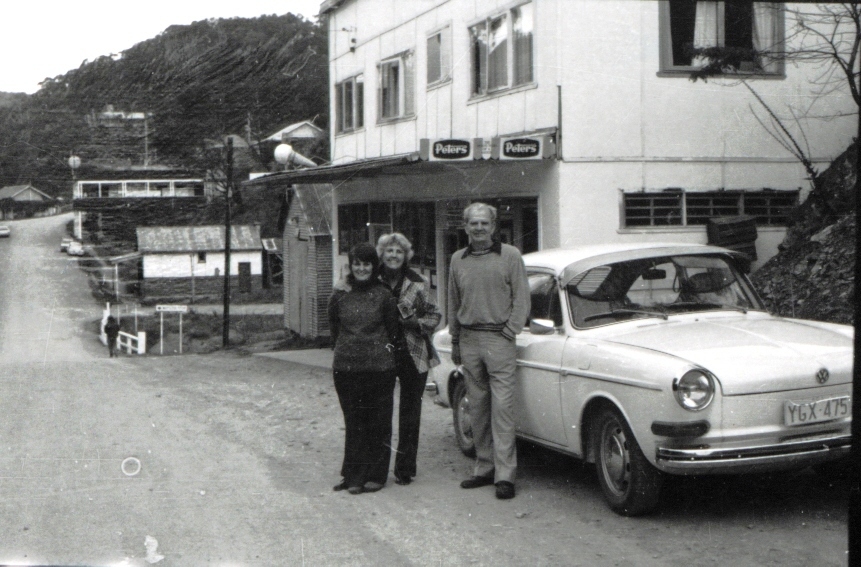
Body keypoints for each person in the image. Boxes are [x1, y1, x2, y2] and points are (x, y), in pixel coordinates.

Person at [448, 202, 530, 500]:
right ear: (466, 226)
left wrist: (509, 331)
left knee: (503, 409)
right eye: (474, 224)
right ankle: (484, 468)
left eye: (485, 223)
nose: (479, 228)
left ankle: (505, 475)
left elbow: (522, 300)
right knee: (477, 407)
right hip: (469, 340)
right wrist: (456, 340)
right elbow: (453, 302)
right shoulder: (458, 259)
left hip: (499, 339)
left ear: (494, 226)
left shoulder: (510, 256)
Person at [328, 242, 401, 495]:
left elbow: (394, 332)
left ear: (374, 266)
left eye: (366, 263)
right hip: (347, 368)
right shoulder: (339, 294)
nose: (361, 268)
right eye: (356, 263)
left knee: (378, 422)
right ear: (351, 265)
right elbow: (334, 329)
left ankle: (376, 475)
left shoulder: (384, 295)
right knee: (354, 421)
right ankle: (353, 476)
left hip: (379, 369)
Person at [376, 233, 442, 486]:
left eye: (399, 252)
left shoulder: (419, 282)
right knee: (381, 411)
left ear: (406, 256)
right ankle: (379, 468)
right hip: (381, 352)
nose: (393, 255)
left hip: (413, 353)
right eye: (389, 251)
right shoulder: (374, 281)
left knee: (410, 412)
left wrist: (417, 323)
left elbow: (435, 316)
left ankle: (405, 469)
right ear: (382, 254)